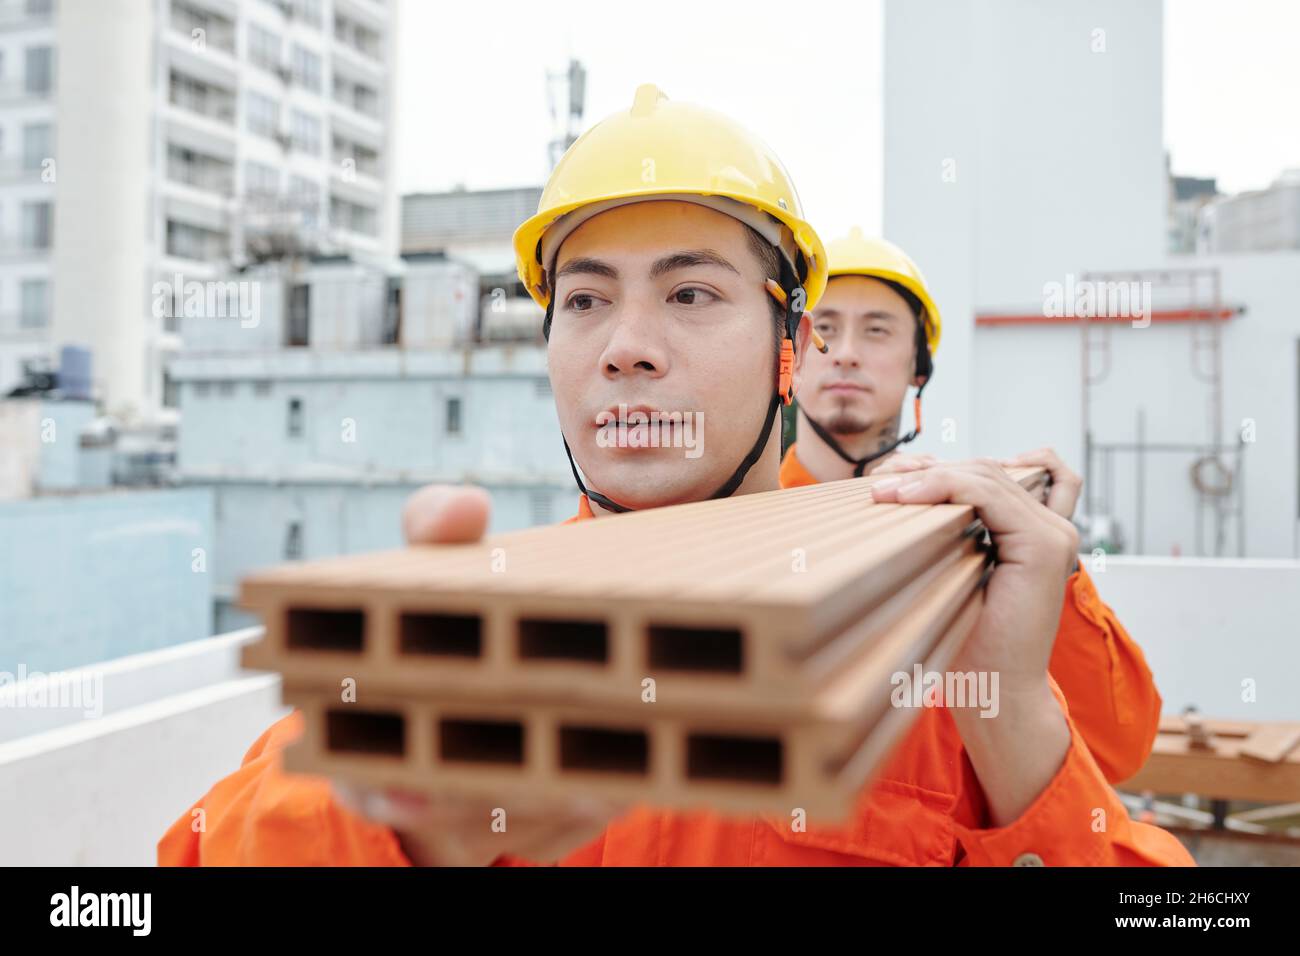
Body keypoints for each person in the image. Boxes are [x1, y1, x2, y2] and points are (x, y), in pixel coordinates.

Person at [158, 86, 1192, 867]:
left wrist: (1008, 702)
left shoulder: (931, 618)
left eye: (692, 293)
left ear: (789, 348)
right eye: (585, 301)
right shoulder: (477, 642)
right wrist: (391, 810)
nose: (627, 347)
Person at [778, 229, 1161, 784]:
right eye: (827, 330)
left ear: (918, 367)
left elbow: (1116, 748)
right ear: (794, 350)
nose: (848, 353)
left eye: (877, 331)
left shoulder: (975, 532)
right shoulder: (737, 519)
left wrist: (1050, 567)